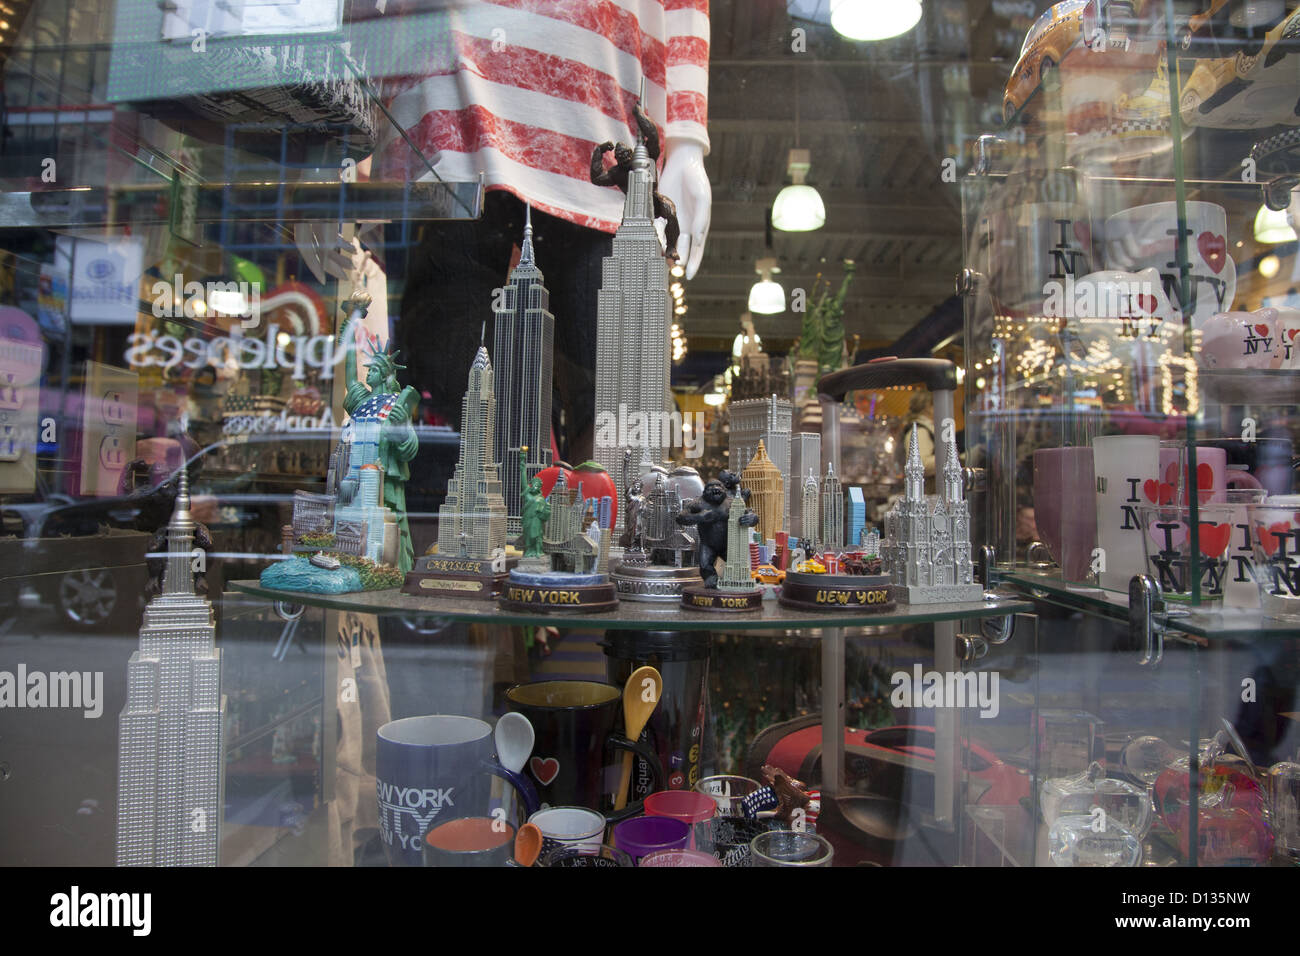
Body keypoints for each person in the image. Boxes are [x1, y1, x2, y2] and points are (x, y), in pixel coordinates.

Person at [378, 0, 712, 461]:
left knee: (614, 410)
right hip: (451, 105)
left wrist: (687, 138)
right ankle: (526, 491)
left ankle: (572, 507)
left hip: (598, 116)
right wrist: (347, 128)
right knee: (476, 387)